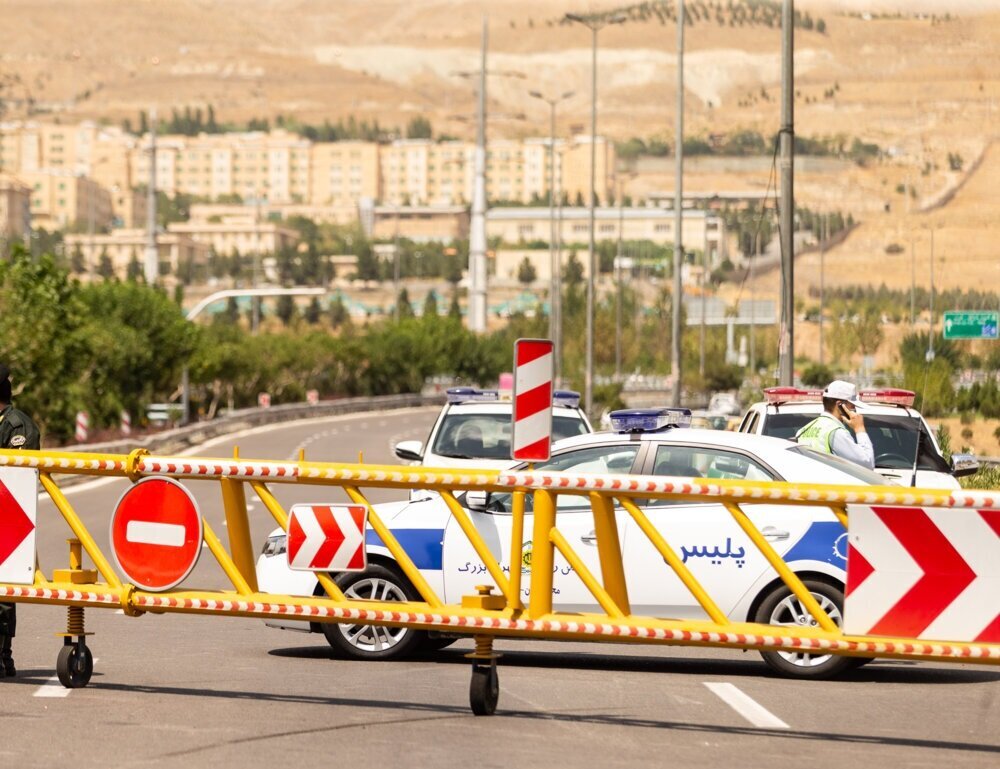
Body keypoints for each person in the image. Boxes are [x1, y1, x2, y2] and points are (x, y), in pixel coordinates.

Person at [0, 363, 41, 679]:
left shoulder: (18, 427)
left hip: (7, 519)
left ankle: (2, 654)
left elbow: (18, 481)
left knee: (3, 592)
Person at [795, 380, 875, 470]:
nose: (854, 410)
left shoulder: (803, 430)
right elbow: (868, 463)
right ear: (839, 405)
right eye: (852, 405)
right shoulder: (836, 432)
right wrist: (860, 429)